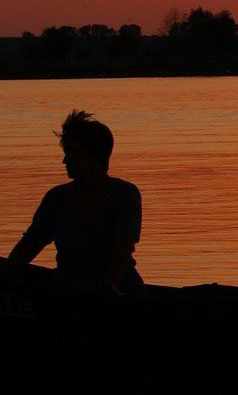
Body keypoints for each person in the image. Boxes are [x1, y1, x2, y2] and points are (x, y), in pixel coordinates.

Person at [8, 110, 143, 293]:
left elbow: (123, 250)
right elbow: (30, 244)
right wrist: (3, 274)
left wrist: (109, 285)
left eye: (74, 152)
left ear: (95, 156)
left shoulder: (125, 195)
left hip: (120, 291)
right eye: (66, 152)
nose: (65, 160)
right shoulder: (56, 199)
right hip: (67, 288)